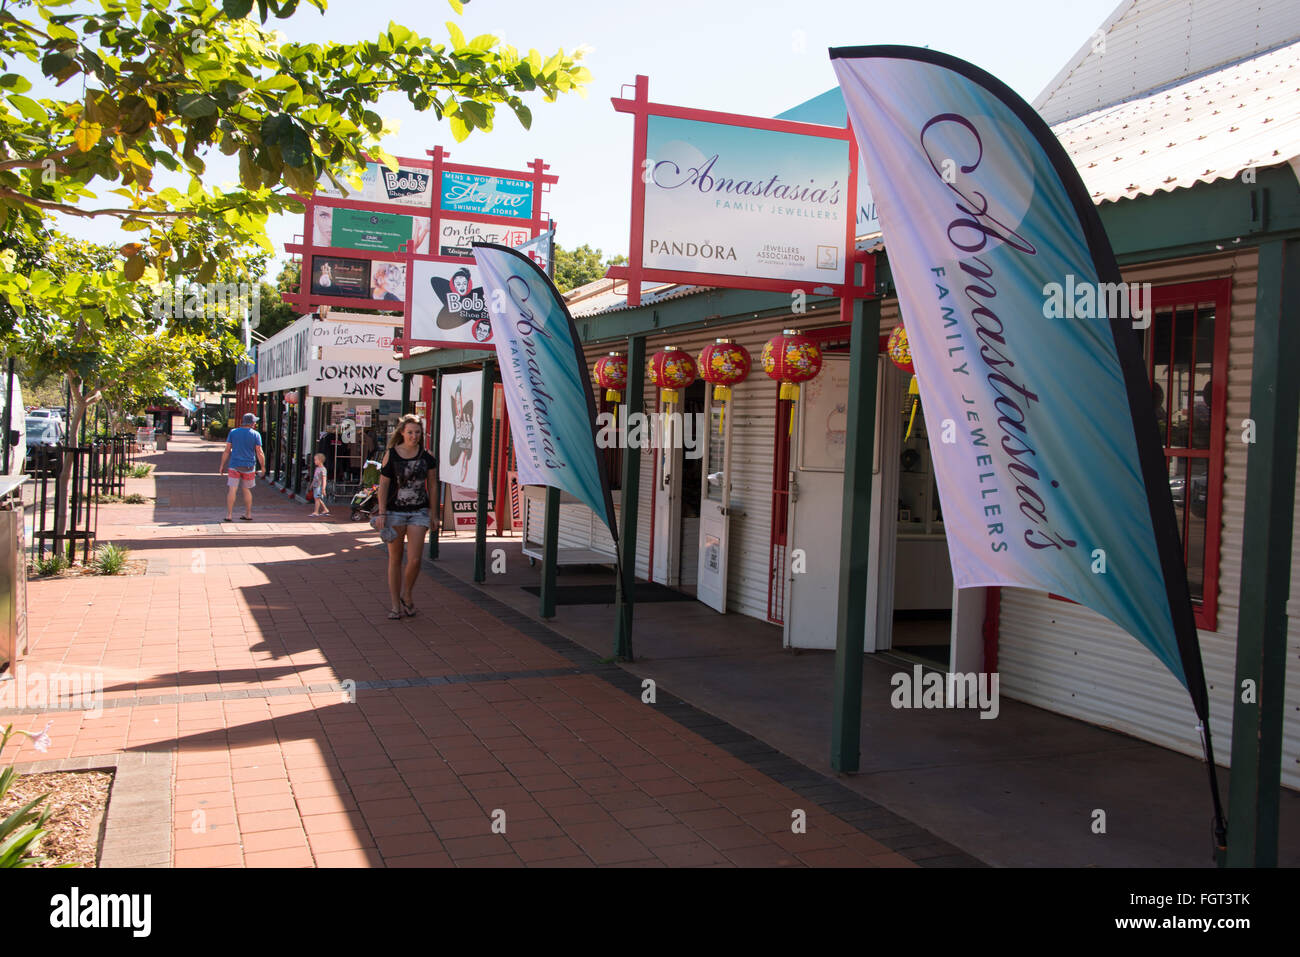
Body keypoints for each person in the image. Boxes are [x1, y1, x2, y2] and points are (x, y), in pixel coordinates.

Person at [374, 413, 438, 619]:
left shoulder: (427, 457)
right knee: (395, 559)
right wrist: (382, 511)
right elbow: (383, 485)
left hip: (418, 511)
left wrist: (434, 513)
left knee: (415, 559)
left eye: (417, 432)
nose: (414, 436)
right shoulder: (391, 454)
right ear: (402, 432)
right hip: (394, 512)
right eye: (410, 432)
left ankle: (407, 594)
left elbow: (433, 485)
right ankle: (395, 605)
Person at [219, 412, 266, 521]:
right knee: (246, 489)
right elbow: (259, 452)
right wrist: (263, 466)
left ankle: (229, 515)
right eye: (254, 421)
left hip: (234, 465)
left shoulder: (233, 432)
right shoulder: (256, 434)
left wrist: (222, 465)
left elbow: (227, 451)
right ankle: (248, 514)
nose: (255, 423)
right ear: (251, 423)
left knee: (232, 489)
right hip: (249, 466)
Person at [310, 452, 330, 517]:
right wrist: (312, 484)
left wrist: (323, 488)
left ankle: (316, 511)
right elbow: (315, 478)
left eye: (315, 460)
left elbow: (324, 480)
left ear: (320, 460)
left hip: (319, 486)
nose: (314, 461)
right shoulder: (317, 468)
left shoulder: (323, 469)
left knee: (317, 499)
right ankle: (325, 509)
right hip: (315, 486)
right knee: (318, 498)